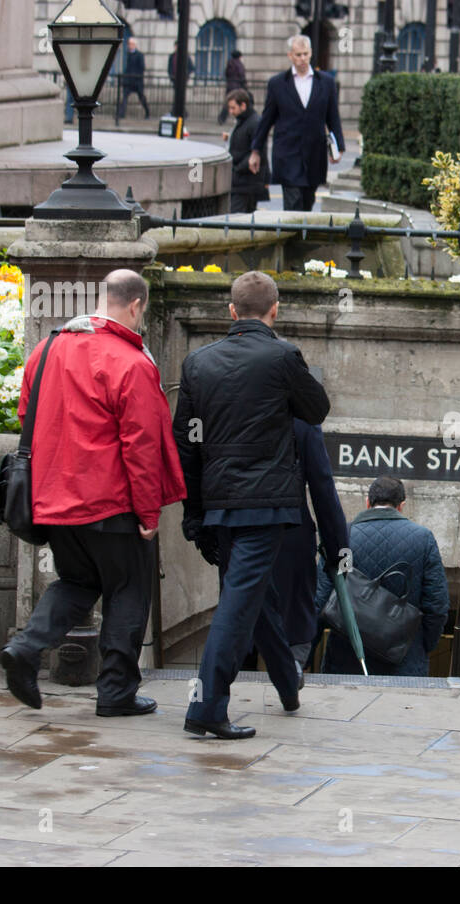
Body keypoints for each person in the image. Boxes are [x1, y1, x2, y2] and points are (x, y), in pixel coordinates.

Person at [0, 271, 186, 716]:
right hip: (112, 503)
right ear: (136, 306)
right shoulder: (132, 363)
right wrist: (148, 514)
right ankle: (116, 692)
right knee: (128, 590)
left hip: (54, 498)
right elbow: (140, 446)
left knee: (78, 581)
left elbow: (28, 415)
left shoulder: (45, 351)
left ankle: (26, 647)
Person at [173, 271, 331, 740]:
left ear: (231, 311)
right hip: (265, 505)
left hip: (220, 503)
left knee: (252, 597)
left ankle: (287, 684)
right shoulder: (283, 356)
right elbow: (317, 410)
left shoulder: (198, 363)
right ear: (275, 310)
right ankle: (205, 707)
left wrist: (194, 513)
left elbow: (186, 443)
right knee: (238, 605)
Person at [243, 418, 348, 680]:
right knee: (292, 622)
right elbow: (322, 487)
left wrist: (200, 527)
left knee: (242, 614)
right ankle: (291, 673)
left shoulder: (232, 405)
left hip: (239, 531)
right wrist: (338, 549)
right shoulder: (301, 419)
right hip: (290, 533)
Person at [316, 477, 449, 677]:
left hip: (347, 657)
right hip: (403, 661)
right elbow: (437, 604)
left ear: (368, 503)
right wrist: (421, 646)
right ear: (401, 506)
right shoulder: (423, 538)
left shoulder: (343, 536)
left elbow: (321, 597)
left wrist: (306, 651)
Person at [248, 35, 345, 212]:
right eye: (298, 54)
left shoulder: (326, 83)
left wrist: (337, 148)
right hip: (287, 152)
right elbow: (267, 119)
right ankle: (293, 238)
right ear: (290, 55)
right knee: (293, 202)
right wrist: (256, 151)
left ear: (311, 54)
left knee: (308, 201)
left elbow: (333, 118)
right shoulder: (277, 84)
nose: (302, 59)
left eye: (305, 54)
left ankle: (302, 237)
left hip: (314, 152)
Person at [222, 89, 269, 213]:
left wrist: (237, 169)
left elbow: (258, 151)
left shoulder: (254, 123)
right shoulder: (243, 121)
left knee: (237, 219)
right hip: (241, 181)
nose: (230, 112)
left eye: (233, 108)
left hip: (246, 182)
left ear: (243, 105)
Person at [117, 37, 150, 122]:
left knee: (141, 97)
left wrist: (136, 76)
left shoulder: (139, 55)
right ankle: (121, 114)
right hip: (129, 81)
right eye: (129, 44)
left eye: (131, 44)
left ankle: (147, 112)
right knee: (124, 97)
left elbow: (142, 67)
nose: (129, 45)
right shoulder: (128, 54)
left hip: (137, 81)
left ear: (135, 45)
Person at [218, 50, 247, 124]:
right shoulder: (239, 64)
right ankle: (239, 119)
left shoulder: (230, 63)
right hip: (237, 87)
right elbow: (241, 75)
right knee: (238, 104)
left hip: (230, 86)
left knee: (228, 103)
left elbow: (226, 74)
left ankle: (222, 118)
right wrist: (244, 85)